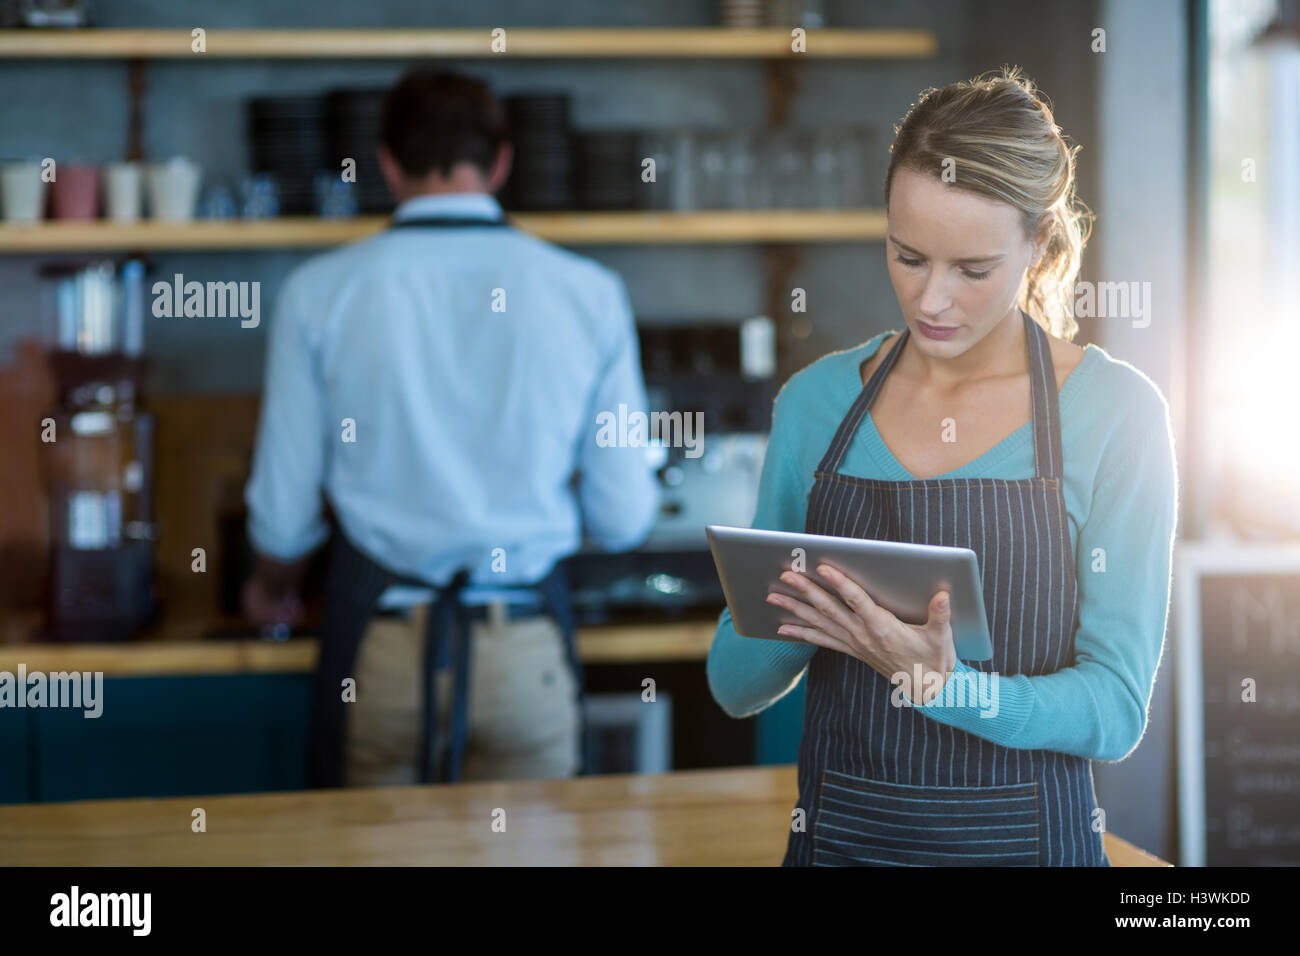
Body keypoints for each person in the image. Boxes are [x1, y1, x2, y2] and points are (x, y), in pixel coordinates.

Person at [707, 67, 1178, 867]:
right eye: (908, 256)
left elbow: (1116, 708)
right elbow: (733, 683)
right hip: (837, 845)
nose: (931, 301)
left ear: (1038, 245)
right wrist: (805, 615)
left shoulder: (1117, 415)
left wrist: (945, 686)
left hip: (1029, 850)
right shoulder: (817, 404)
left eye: (972, 270)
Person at [242, 67, 659, 788]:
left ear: (385, 163)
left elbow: (282, 518)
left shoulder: (317, 293)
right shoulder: (590, 293)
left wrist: (269, 587)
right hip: (525, 655)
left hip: (377, 656)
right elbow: (623, 517)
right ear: (501, 163)